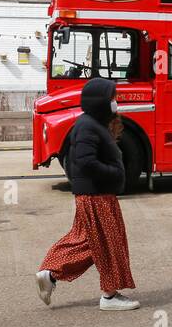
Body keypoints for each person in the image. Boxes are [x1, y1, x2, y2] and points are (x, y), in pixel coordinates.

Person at [35, 78, 140, 311]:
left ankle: (49, 275)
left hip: (97, 194)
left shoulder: (93, 123)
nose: (115, 102)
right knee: (106, 243)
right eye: (111, 98)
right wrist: (113, 173)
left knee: (89, 242)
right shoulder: (87, 126)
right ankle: (109, 297)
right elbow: (85, 161)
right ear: (100, 101)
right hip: (96, 195)